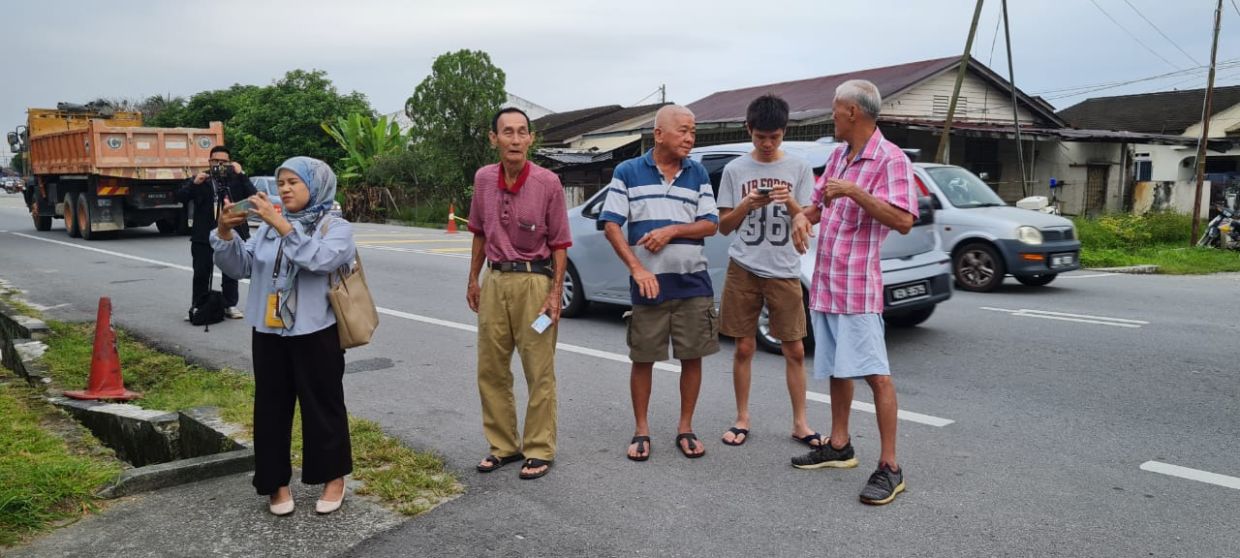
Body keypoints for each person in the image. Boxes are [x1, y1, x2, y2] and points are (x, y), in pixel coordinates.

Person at [789, 79, 918, 506]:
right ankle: (840, 444)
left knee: (876, 374)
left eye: (835, 108)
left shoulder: (890, 159)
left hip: (859, 287)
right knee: (838, 369)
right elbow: (820, 205)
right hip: (827, 282)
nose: (831, 115)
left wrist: (857, 192)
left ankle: (890, 466)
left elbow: (902, 220)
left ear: (853, 114)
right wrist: (802, 218)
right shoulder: (839, 155)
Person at [212, 156, 356, 516]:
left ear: (316, 186)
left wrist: (283, 227)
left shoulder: (334, 227)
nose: (285, 189)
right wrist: (226, 233)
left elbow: (319, 261)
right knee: (270, 409)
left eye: (294, 182)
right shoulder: (265, 228)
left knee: (323, 406)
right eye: (281, 182)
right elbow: (241, 266)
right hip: (269, 331)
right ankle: (275, 484)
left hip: (316, 331)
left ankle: (333, 477)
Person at [599, 105, 719, 461]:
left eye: (693, 132)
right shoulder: (628, 171)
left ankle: (686, 427)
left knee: (692, 357)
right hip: (648, 286)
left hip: (693, 283)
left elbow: (711, 223)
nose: (689, 138)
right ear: (659, 134)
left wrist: (673, 230)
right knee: (644, 358)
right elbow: (611, 225)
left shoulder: (696, 173)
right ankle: (641, 430)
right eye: (683, 130)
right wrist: (637, 268)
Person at [466, 107, 572, 481]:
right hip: (495, 280)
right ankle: (503, 446)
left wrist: (555, 294)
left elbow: (560, 243)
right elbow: (478, 231)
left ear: (530, 139)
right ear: (494, 139)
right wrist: (473, 279)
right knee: (491, 369)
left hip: (534, 283)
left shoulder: (548, 183)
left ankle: (539, 448)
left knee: (538, 370)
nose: (514, 139)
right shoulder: (483, 179)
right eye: (506, 132)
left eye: (521, 132)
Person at [715, 94, 821, 449]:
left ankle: (800, 423)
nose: (767, 144)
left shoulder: (799, 168)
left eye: (774, 137)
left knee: (794, 349)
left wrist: (788, 201)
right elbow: (724, 226)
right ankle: (742, 417)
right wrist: (746, 203)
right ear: (749, 130)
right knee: (743, 347)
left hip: (785, 269)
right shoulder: (735, 170)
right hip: (743, 267)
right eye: (760, 137)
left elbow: (806, 219)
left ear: (784, 132)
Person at [177, 145, 256, 320]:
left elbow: (253, 196)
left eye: (223, 162)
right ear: (209, 161)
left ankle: (229, 304)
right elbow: (180, 197)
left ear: (229, 162)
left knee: (230, 271)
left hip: (231, 234)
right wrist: (193, 183)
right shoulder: (201, 179)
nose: (219, 165)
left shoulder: (236, 179)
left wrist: (241, 174)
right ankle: (199, 305)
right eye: (215, 161)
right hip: (203, 234)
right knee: (201, 272)